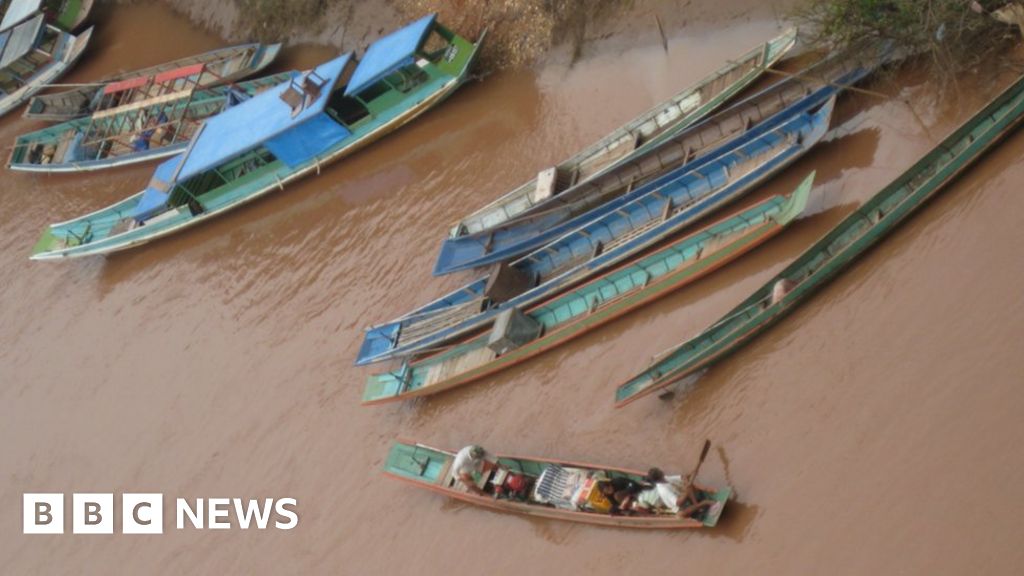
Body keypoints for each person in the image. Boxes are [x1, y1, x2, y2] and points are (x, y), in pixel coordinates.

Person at [629, 467, 716, 518]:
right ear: (660, 475)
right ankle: (702, 504)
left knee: (688, 484)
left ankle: (697, 502)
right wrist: (687, 489)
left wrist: (692, 473)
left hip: (684, 496)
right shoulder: (663, 490)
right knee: (680, 515)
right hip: (680, 504)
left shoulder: (665, 478)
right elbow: (678, 503)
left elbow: (682, 477)